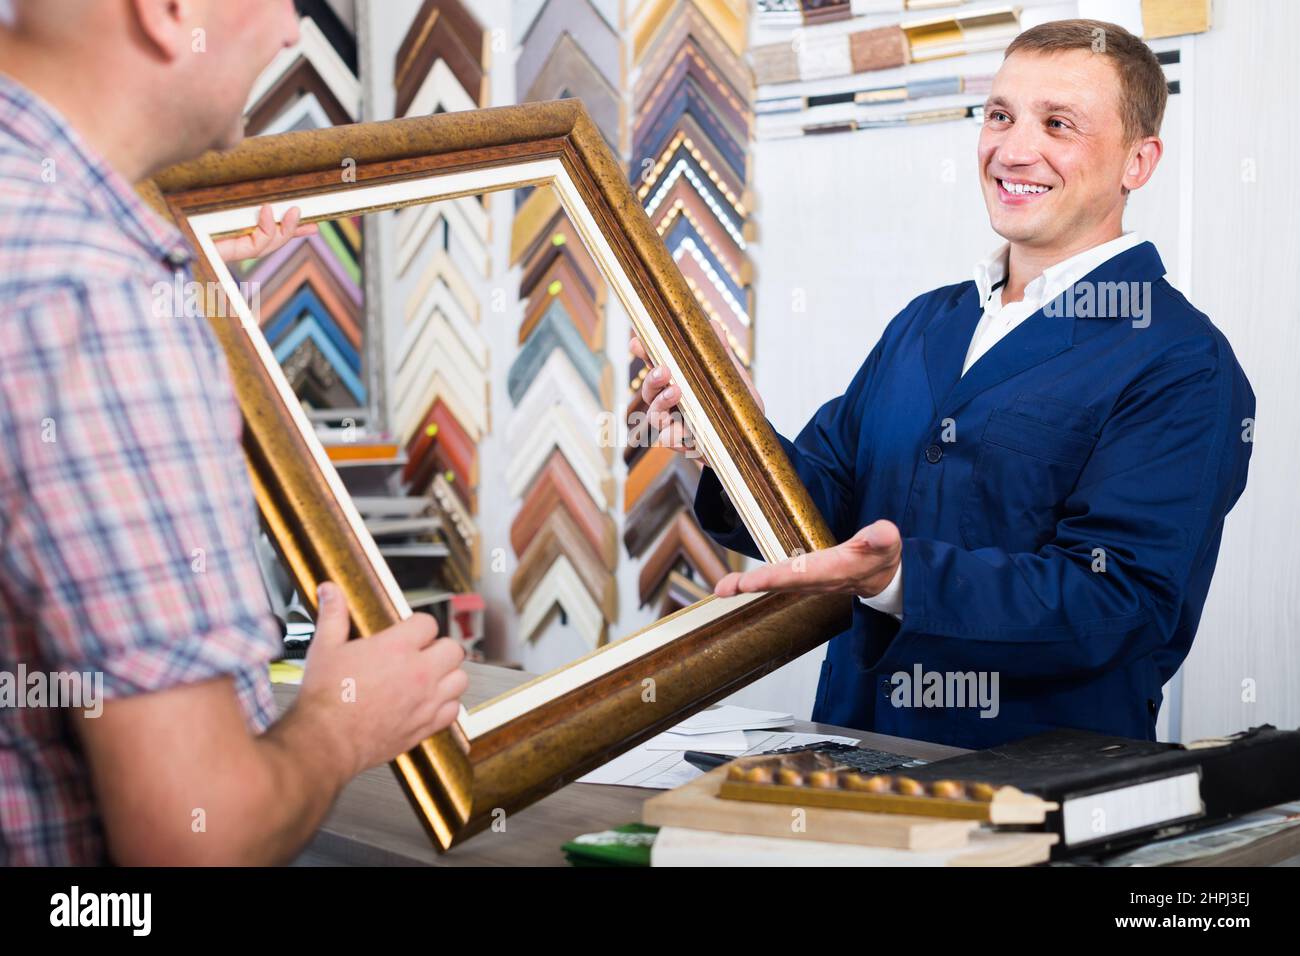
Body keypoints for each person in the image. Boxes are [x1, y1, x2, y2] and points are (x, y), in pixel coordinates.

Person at [633, 19, 1255, 750]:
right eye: (1000, 116)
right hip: (849, 751)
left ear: (1138, 162)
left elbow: (1119, 601)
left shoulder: (1182, 361)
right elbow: (824, 501)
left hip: (1029, 790)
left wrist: (902, 581)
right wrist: (731, 441)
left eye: (1058, 124)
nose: (1013, 149)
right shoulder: (929, 322)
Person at [0, 0, 467, 865]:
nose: (291, 30)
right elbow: (193, 840)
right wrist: (342, 722)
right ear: (171, 11)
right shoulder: (95, 301)